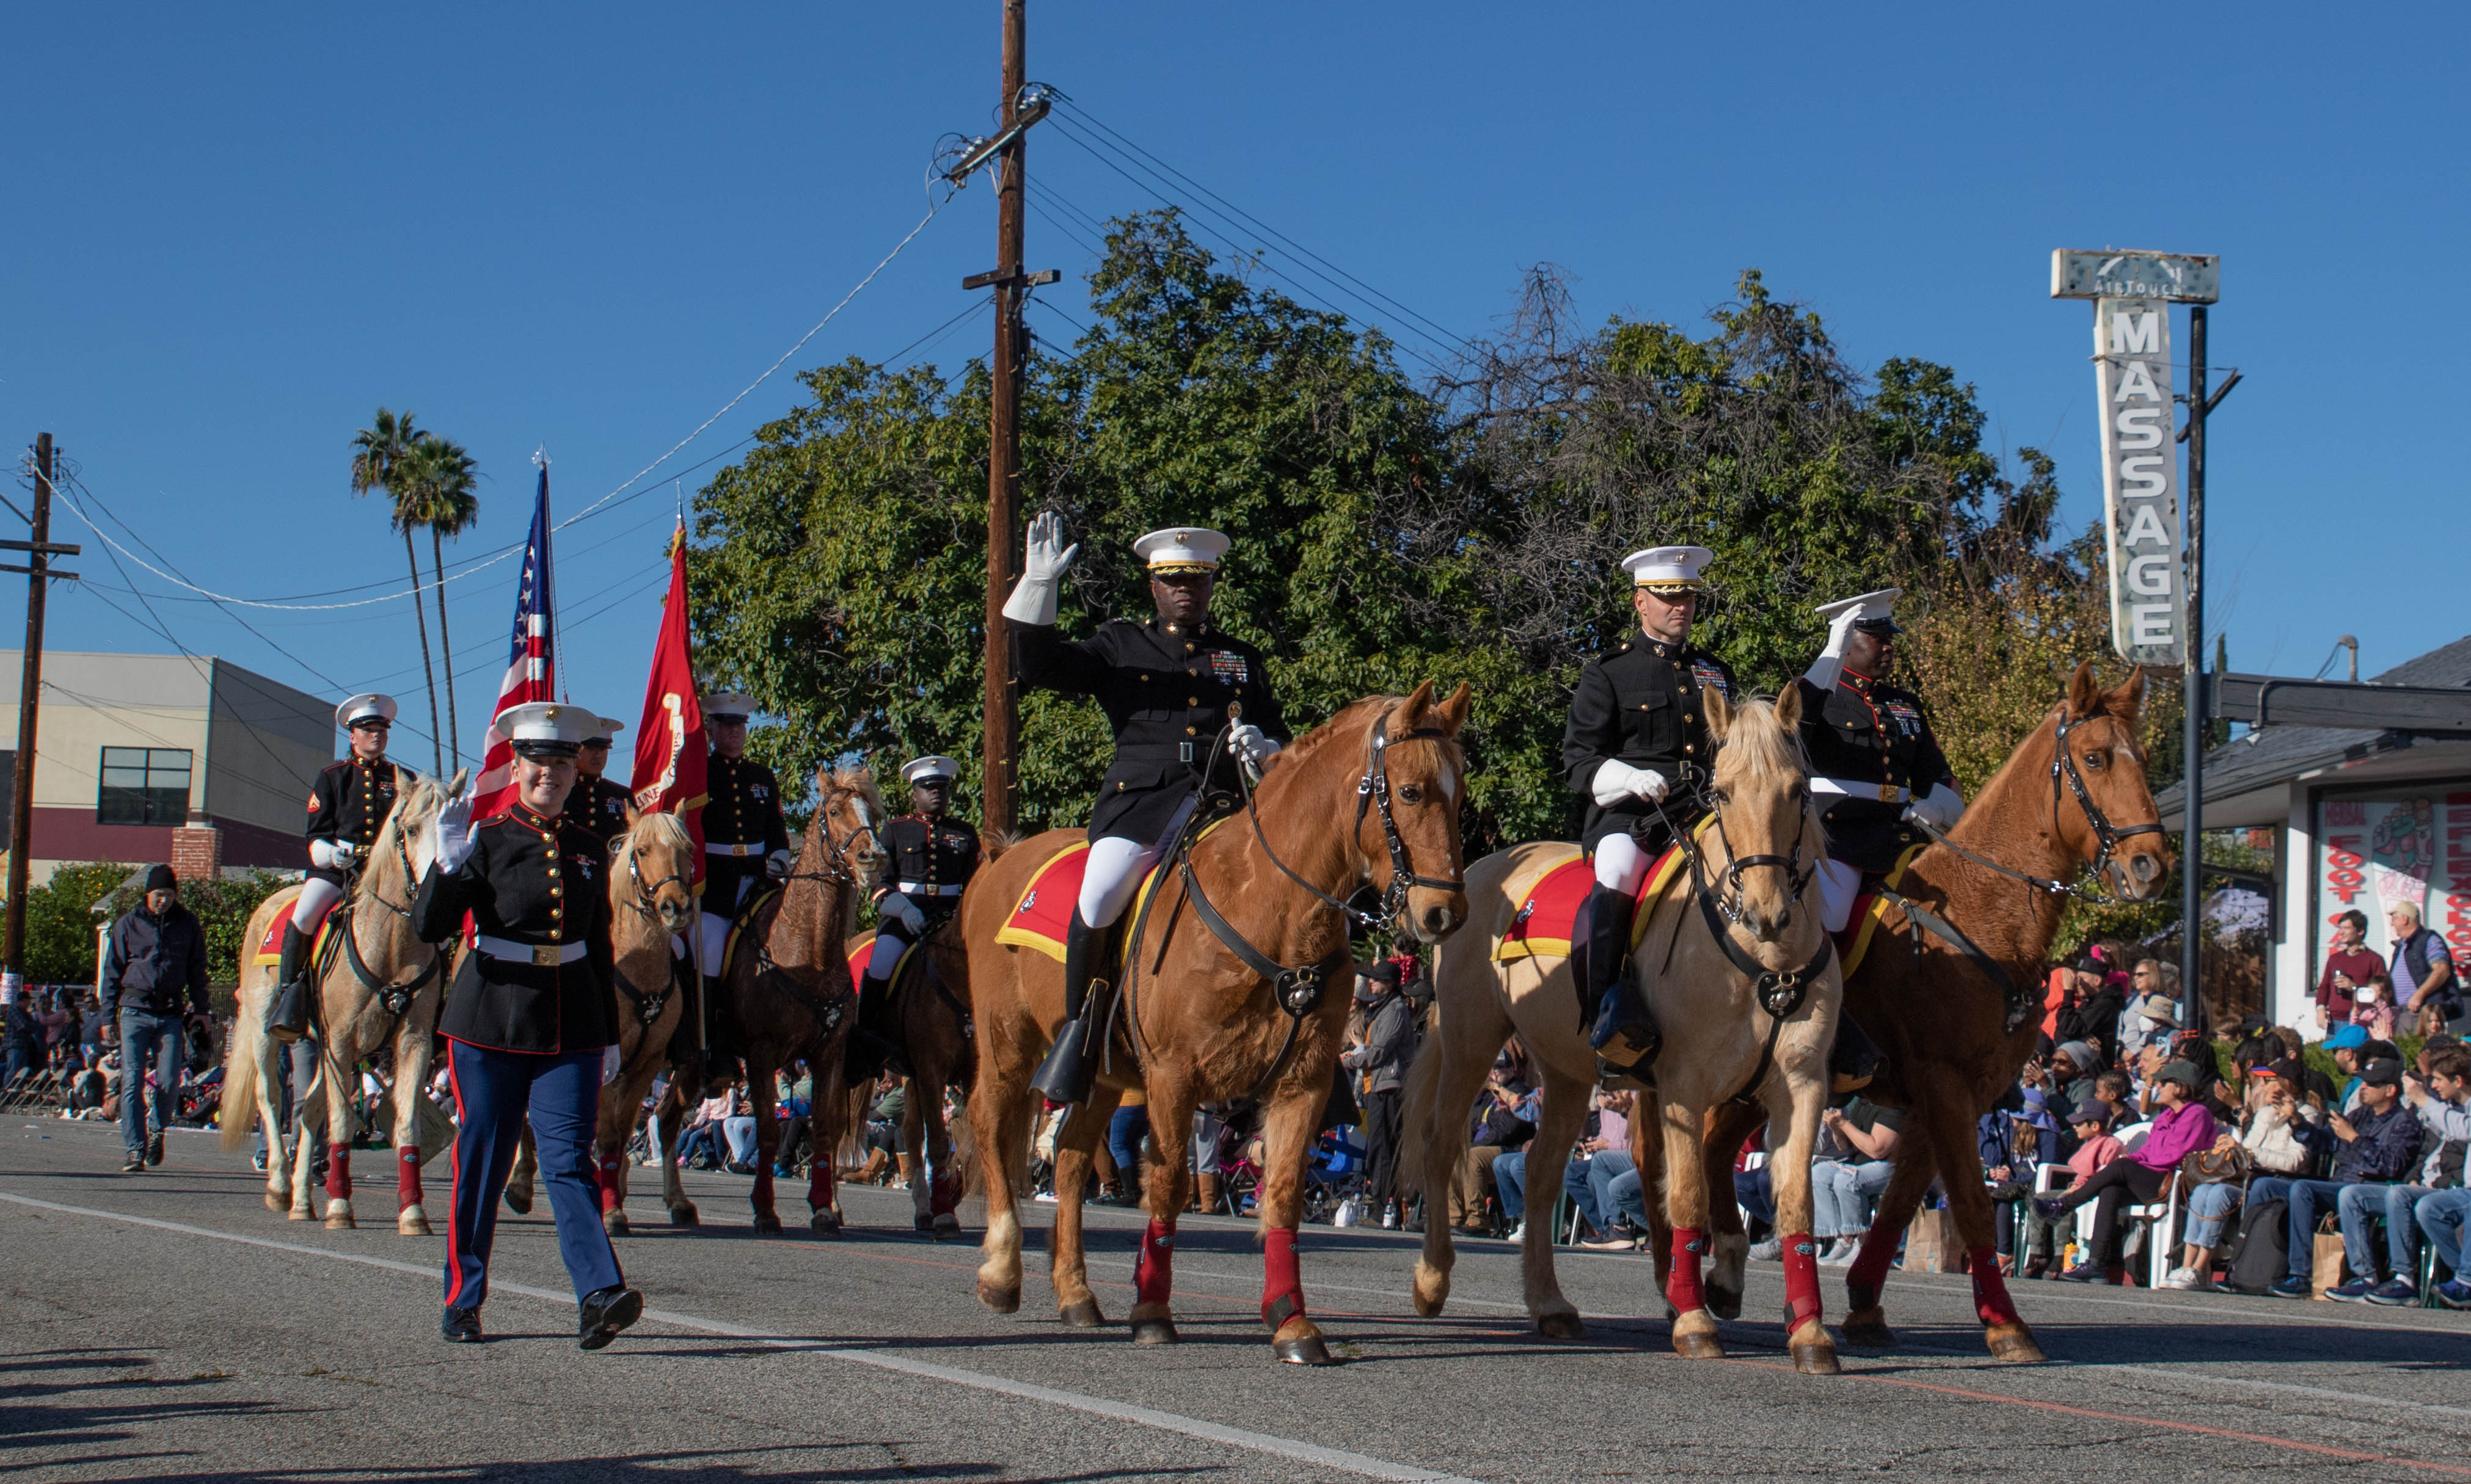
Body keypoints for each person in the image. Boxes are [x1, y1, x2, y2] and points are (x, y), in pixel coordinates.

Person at [1001, 515, 1290, 1106]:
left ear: (1212, 585)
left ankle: (1294, 1050)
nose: (1187, 591)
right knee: (1101, 893)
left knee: (1292, 894)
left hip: (1226, 807)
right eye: (1174, 581)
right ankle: (1083, 1032)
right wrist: (1037, 591)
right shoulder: (1119, 643)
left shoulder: (1240, 658)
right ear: (1154, 588)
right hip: (1143, 806)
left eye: (1198, 581)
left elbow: (1283, 736)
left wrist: (1266, 749)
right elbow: (1040, 668)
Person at [414, 700, 643, 1349]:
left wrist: (608, 1037)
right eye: (540, 763)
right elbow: (429, 929)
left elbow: (597, 945)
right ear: (516, 767)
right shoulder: (484, 840)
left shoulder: (589, 849)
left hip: (569, 1020)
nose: (553, 774)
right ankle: (464, 1298)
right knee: (483, 1159)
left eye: (564, 763)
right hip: (488, 1019)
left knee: (569, 1161)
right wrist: (448, 867)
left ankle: (598, 1296)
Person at [1560, 545, 1735, 1075]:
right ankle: (1607, 1017)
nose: (1680, 606)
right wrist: (1628, 777)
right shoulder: (1608, 672)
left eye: (1687, 596)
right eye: (1668, 598)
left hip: (1703, 811)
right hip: (1632, 815)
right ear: (1641, 602)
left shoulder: (1714, 671)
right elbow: (1578, 761)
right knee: (1616, 871)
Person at [1796, 589, 1962, 936]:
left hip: (1902, 835)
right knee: (1826, 924)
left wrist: (1938, 806)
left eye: (1890, 639)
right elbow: (1788, 730)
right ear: (1845, 641)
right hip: (1838, 837)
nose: (1889, 647)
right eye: (1877, 638)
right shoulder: (1817, 697)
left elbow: (1940, 776)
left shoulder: (1905, 703)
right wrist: (1829, 656)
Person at [269, 694, 401, 1042]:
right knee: (306, 914)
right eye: (369, 730)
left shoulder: (401, 778)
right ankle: (290, 995)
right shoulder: (332, 777)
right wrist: (332, 854)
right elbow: (314, 836)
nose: (377, 736)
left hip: (385, 874)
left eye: (382, 730)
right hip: (338, 872)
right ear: (352, 736)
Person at [849, 755, 981, 1082]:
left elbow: (976, 884)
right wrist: (903, 909)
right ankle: (864, 1044)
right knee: (880, 963)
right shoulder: (894, 830)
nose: (936, 793)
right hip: (904, 919)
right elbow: (879, 885)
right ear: (915, 792)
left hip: (952, 922)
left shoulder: (964, 833)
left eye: (942, 788)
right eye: (929, 787)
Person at [2248, 1055, 2421, 1300]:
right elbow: (2325, 1143)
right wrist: (2297, 1121)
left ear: (2391, 1090)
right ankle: (2251, 1269)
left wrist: (2355, 1139)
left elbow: (2392, 1167)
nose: (2363, 1087)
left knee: (2303, 1189)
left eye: (2371, 1084)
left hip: (2368, 1189)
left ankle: (2301, 1275)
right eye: (2363, 1081)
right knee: (2265, 1185)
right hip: (2338, 1185)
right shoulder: (2362, 1115)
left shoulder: (2405, 1123)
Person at [2038, 1060, 2215, 1281]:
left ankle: (2065, 1205)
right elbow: (2148, 1151)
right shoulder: (2165, 1117)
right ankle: (2096, 1265)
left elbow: (2175, 1156)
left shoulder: (2197, 1114)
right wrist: (2131, 1159)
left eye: (2163, 1084)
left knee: (2122, 1168)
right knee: (2110, 1190)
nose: (2158, 1088)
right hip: (2151, 1179)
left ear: (2179, 1087)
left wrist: (2129, 1166)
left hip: (2174, 1183)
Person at [693, 692, 792, 1078]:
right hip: (716, 886)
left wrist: (781, 857)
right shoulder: (699, 774)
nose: (734, 733)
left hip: (760, 884)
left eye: (740, 726)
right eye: (726, 726)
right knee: (710, 951)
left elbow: (777, 832)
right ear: (713, 729)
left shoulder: (762, 777)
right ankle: (712, 1046)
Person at [2161, 1061, 2328, 1289]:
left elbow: (2294, 1162)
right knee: (2202, 1191)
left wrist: (2247, 1152)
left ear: (2285, 1085)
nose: (2262, 1084)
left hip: (2277, 1183)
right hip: (2247, 1179)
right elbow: (2247, 1150)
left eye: (2268, 1080)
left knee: (2218, 1193)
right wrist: (2233, 1148)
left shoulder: (2308, 1115)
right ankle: (2187, 1265)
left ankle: (2201, 1268)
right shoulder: (2264, 1114)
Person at [2327, 1046, 2471, 1304]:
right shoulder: (2364, 1114)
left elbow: (2459, 1134)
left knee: (2403, 1196)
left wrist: (2422, 1099)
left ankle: (2409, 1278)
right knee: (2353, 1195)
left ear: (2458, 1081)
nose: (2433, 1087)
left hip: (2452, 1188)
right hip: (2421, 1186)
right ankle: (2365, 1277)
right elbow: (2425, 1151)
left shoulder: (2443, 1115)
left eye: (2437, 1080)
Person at [98, 864, 211, 1173]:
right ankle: (135, 1149)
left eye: (170, 895)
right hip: (135, 1011)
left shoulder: (187, 924)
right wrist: (108, 1017)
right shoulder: (127, 925)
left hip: (172, 1014)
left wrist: (202, 1010)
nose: (164, 900)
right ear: (148, 893)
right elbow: (112, 973)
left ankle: (157, 1130)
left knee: (169, 1079)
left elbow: (197, 971)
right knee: (132, 1080)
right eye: (159, 894)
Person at [1340, 962, 1417, 1229]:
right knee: (1377, 1147)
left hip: (1389, 1087)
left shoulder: (1394, 1010)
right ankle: (1383, 1206)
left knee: (1384, 1148)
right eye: (1372, 979)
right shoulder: (1382, 1009)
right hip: (1377, 1084)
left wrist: (1349, 1062)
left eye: (1378, 979)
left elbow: (1379, 1053)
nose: (1372, 983)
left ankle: (1383, 1208)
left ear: (1391, 983)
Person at [2018, 1094, 2120, 1278]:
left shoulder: (2110, 1145)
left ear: (2095, 1126)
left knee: (2064, 1201)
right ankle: (2037, 1251)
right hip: (2080, 1189)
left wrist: (2079, 1188)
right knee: (2040, 1198)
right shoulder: (2089, 1143)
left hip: (2095, 1194)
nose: (2074, 1127)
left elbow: (2105, 1174)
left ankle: (2060, 1255)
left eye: (2079, 1124)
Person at [1811, 1094, 1901, 1263]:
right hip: (1859, 1164)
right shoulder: (1863, 1102)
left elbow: (1877, 1150)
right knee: (1819, 1174)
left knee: (1846, 1181)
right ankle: (1841, 1240)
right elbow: (1844, 1147)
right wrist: (1836, 1128)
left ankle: (1861, 1242)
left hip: (1887, 1167)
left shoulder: (1891, 1106)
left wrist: (1844, 1124)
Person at [561, 714, 635, 855]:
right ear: (576, 749)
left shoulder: (622, 795)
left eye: (602, 749)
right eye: (590, 748)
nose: (597, 755)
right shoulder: (562, 790)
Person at [2387, 901, 2465, 1035]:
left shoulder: (2430, 940)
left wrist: (2419, 994)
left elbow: (2441, 970)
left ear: (2405, 919)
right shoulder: (2402, 946)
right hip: (2403, 1013)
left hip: (2422, 1011)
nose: (2392, 924)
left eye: (2394, 919)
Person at [2316, 909, 2385, 1031]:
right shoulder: (2334, 959)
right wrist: (2320, 1008)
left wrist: (2354, 988)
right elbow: (2324, 987)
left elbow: (2381, 993)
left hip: (2362, 1020)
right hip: (2334, 1020)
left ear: (2360, 931)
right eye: (2340, 928)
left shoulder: (2374, 959)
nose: (2341, 933)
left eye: (2346, 928)